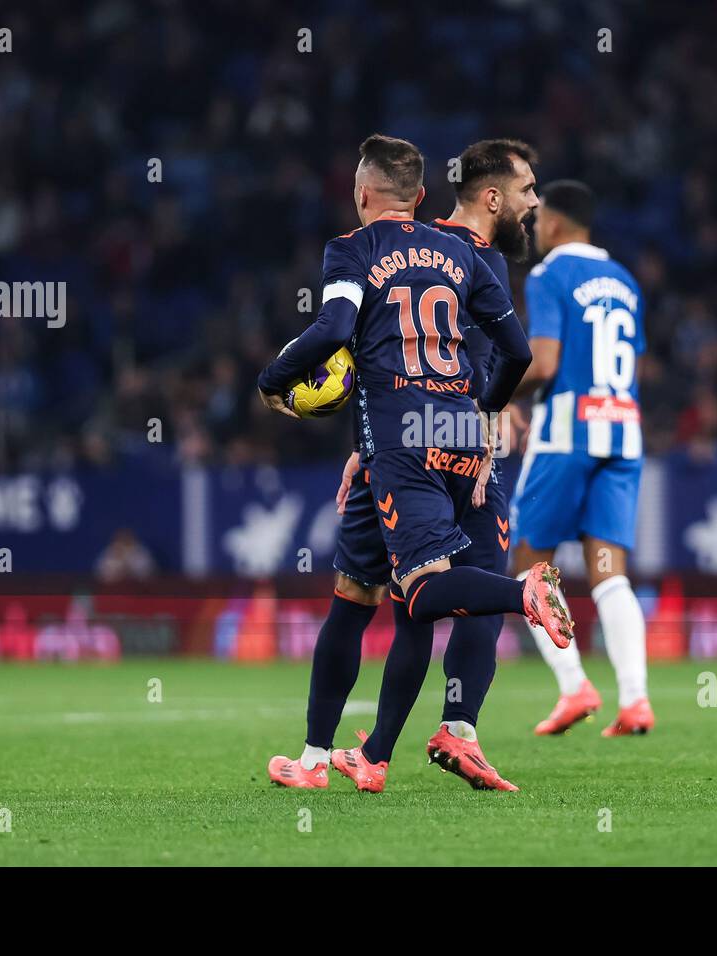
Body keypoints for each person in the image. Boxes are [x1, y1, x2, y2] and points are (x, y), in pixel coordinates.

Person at [256, 134, 571, 793]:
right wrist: (479, 411)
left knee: (417, 594)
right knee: (363, 596)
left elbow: (336, 330)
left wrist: (272, 379)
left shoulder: (352, 248)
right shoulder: (462, 253)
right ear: (420, 195)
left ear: (361, 193)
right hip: (451, 433)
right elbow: (515, 352)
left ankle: (524, 593)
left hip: (400, 440)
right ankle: (332, 759)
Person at [507, 180, 655, 737]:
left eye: (538, 216)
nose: (534, 225)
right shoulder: (626, 281)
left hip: (568, 432)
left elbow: (544, 364)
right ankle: (636, 701)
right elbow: (634, 371)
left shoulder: (550, 276)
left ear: (556, 223)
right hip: (622, 431)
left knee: (528, 567)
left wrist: (491, 396)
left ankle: (574, 687)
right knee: (609, 572)